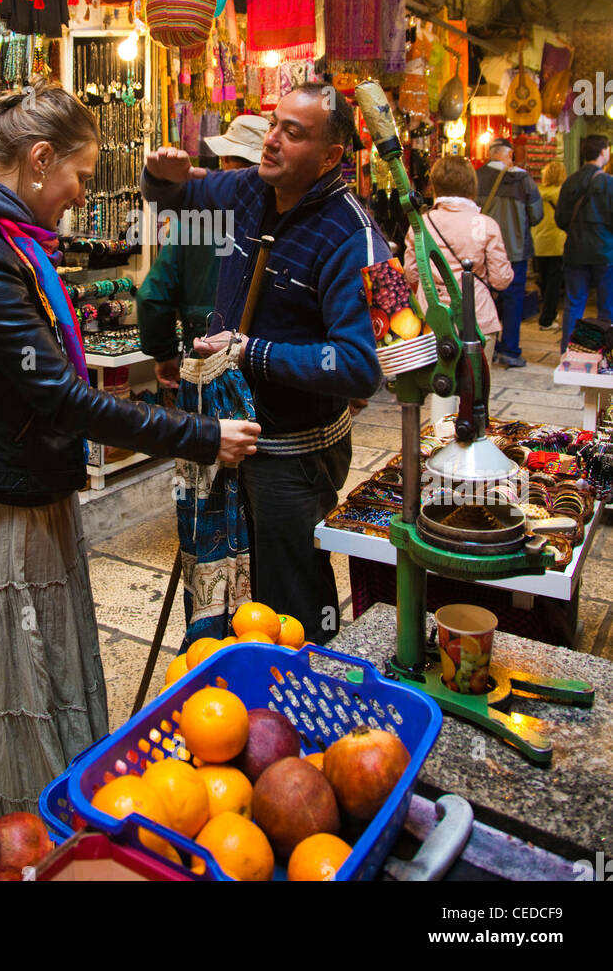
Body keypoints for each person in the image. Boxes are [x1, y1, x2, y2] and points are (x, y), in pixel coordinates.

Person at [0, 81, 260, 822]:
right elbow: (61, 398)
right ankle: (16, 842)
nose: (78, 195)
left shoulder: (6, 243)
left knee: (38, 679)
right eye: (81, 177)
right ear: (37, 160)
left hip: (20, 489)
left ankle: (50, 834)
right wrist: (200, 435)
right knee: (5, 691)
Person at [142, 83, 390, 645]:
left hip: (294, 456)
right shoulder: (250, 188)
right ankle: (241, 707)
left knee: (291, 601)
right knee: (230, 593)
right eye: (274, 125)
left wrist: (250, 352)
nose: (273, 141)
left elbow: (361, 366)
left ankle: (310, 713)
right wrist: (162, 177)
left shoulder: (358, 236)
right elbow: (177, 202)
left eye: (293, 133)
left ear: (330, 157)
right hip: (231, 441)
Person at [137, 114, 270, 388]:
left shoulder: (193, 220)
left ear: (226, 160)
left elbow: (153, 297)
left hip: (202, 361)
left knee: (208, 429)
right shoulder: (279, 217)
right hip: (265, 364)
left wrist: (165, 356)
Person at [403, 155, 513, 419]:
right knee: (474, 387)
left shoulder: (421, 224)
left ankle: (439, 442)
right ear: (470, 185)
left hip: (433, 319)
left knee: (442, 383)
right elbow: (501, 279)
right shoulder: (485, 225)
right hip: (477, 317)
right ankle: (472, 445)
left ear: (436, 185)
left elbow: (411, 272)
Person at [476, 137, 543, 368]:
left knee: (484, 298)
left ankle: (488, 347)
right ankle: (510, 351)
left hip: (482, 251)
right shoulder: (523, 179)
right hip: (515, 251)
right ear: (509, 154)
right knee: (514, 299)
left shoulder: (476, 176)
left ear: (490, 153)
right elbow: (537, 215)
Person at [555, 134, 613, 351]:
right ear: (603, 152)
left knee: (574, 304)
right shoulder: (609, 184)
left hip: (575, 252)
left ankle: (568, 351)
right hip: (605, 253)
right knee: (607, 307)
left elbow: (560, 219)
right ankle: (607, 354)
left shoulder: (570, 181)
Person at [534, 159, 567, 332]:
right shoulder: (561, 193)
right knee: (555, 283)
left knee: (545, 281)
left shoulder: (537, 192)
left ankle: (549, 314)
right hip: (557, 242)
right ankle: (547, 319)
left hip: (539, 242)